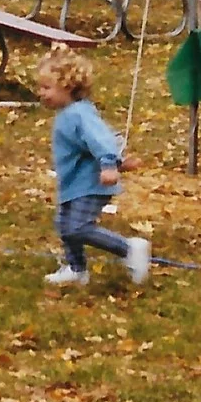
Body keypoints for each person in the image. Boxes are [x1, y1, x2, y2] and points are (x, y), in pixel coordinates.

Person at [39, 47, 150, 289]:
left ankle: (130, 249)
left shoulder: (79, 114)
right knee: (65, 227)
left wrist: (110, 164)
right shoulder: (70, 113)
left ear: (67, 87)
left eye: (47, 87)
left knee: (78, 227)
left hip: (91, 184)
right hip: (74, 183)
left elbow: (101, 139)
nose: (41, 93)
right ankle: (76, 269)